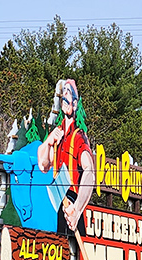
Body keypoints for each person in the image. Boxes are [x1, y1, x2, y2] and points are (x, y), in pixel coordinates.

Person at [37, 79, 95, 234]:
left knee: (76, 253)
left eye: (70, 96)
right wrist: (49, 142)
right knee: (61, 252)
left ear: (75, 104)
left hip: (73, 201)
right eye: (64, 97)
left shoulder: (78, 137)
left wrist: (77, 210)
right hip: (59, 202)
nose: (67, 101)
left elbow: (89, 171)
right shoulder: (57, 134)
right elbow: (43, 165)